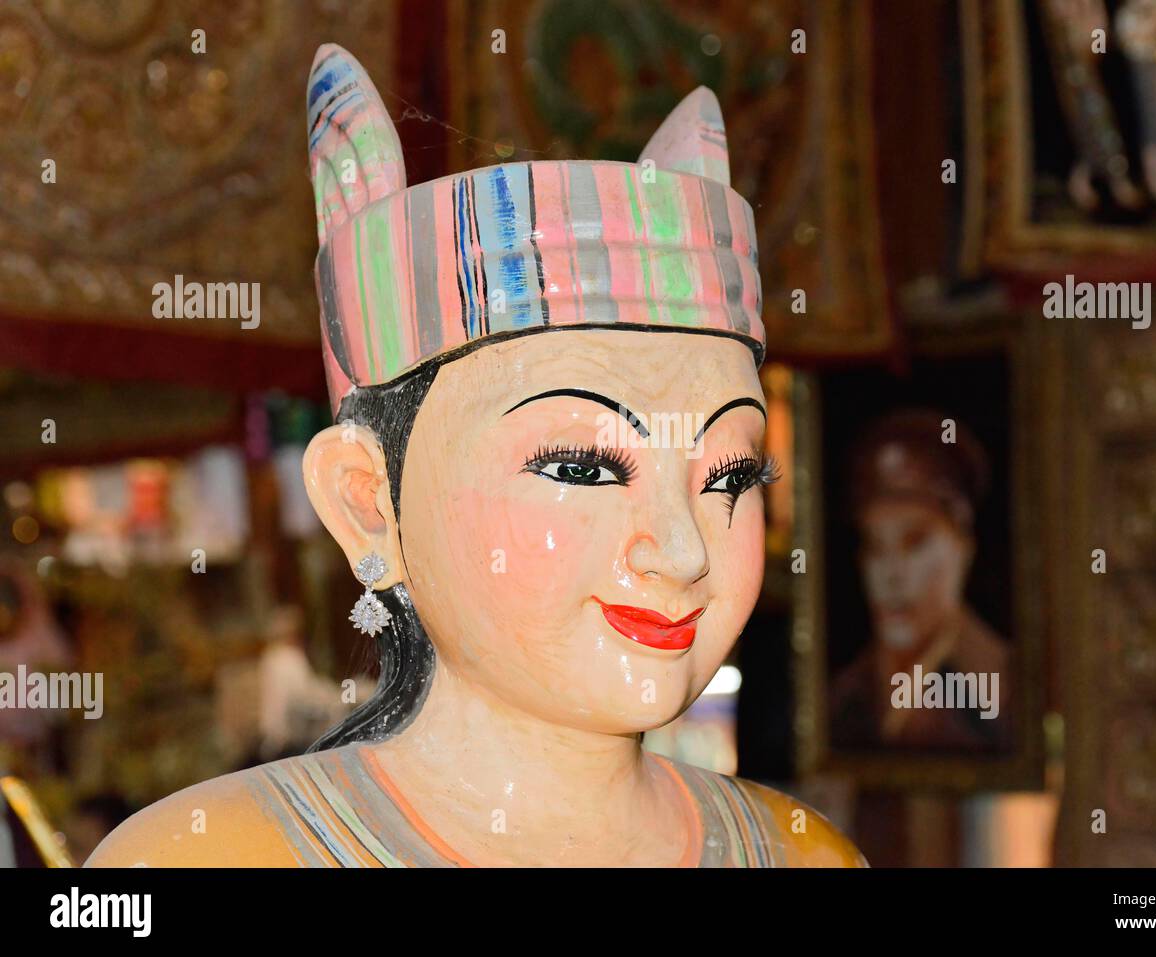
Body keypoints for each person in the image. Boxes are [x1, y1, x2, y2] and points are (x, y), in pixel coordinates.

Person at [87, 44, 863, 867]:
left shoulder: (800, 854)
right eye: (581, 467)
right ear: (367, 502)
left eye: (729, 477)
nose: (680, 549)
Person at [830, 411, 1012, 751]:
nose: (892, 575)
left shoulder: (1009, 687)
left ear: (963, 547)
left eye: (915, 543)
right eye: (876, 546)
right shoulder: (843, 698)